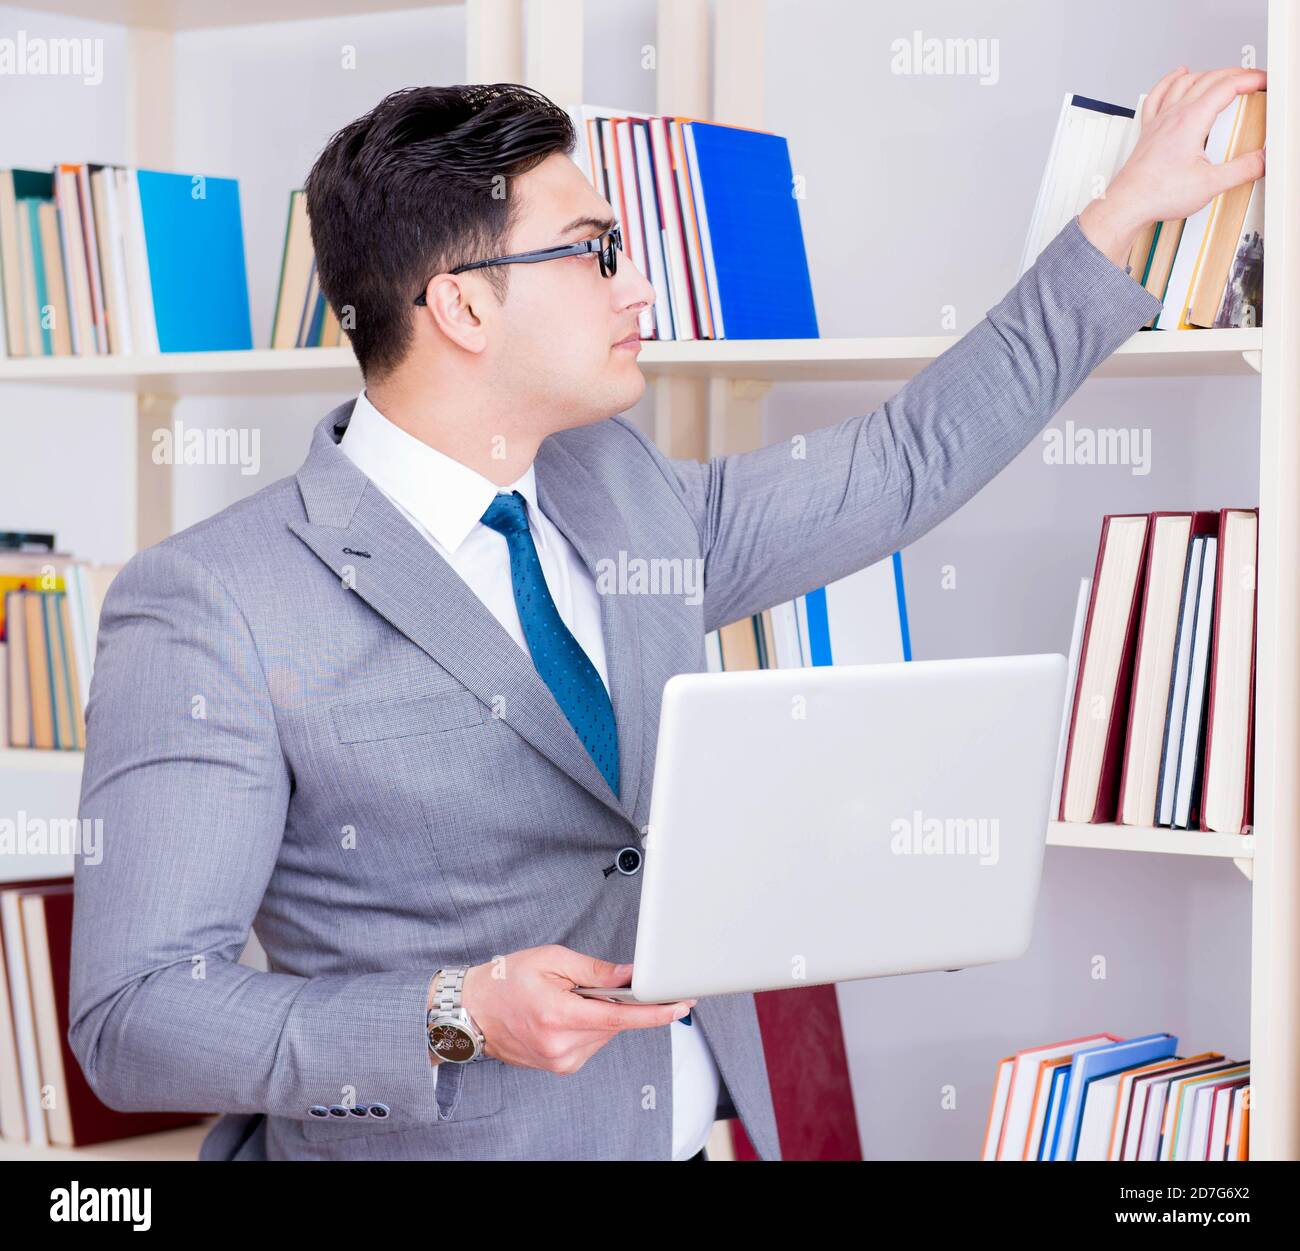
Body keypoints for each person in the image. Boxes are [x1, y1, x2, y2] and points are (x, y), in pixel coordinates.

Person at [68, 67, 1265, 1161]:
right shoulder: (214, 603)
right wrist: (455, 1015)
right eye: (593, 252)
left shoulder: (624, 492)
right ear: (462, 308)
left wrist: (1121, 217)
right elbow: (136, 1019)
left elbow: (905, 461)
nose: (636, 285)